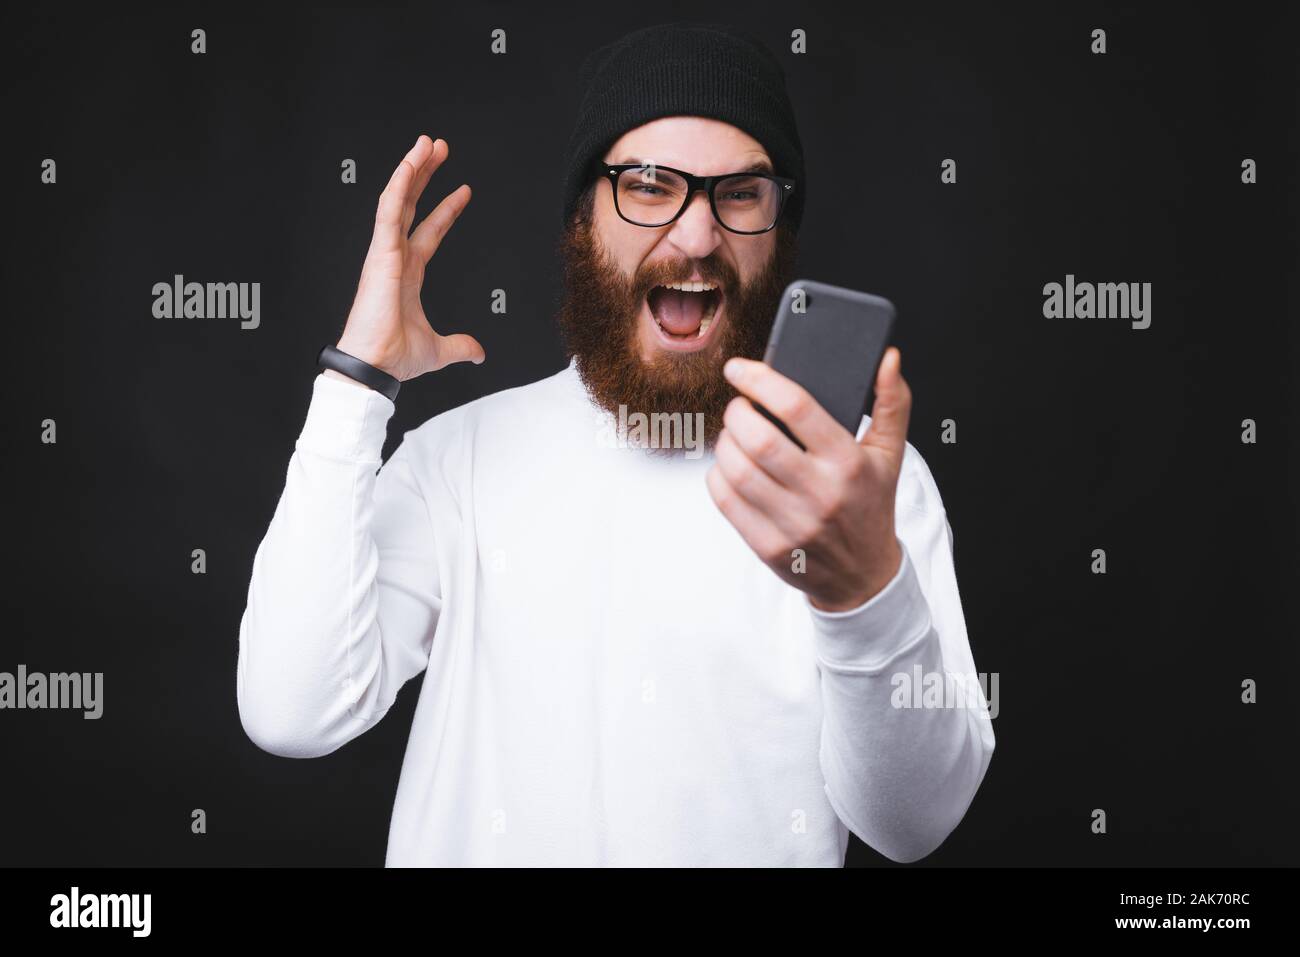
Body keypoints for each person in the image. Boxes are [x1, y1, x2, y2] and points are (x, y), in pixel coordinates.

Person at [236, 21, 995, 866]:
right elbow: (291, 710)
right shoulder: (458, 462)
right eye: (648, 184)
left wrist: (861, 590)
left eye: (740, 193)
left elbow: (913, 821)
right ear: (582, 221)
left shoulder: (856, 482)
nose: (698, 235)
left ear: (779, 227)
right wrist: (358, 381)